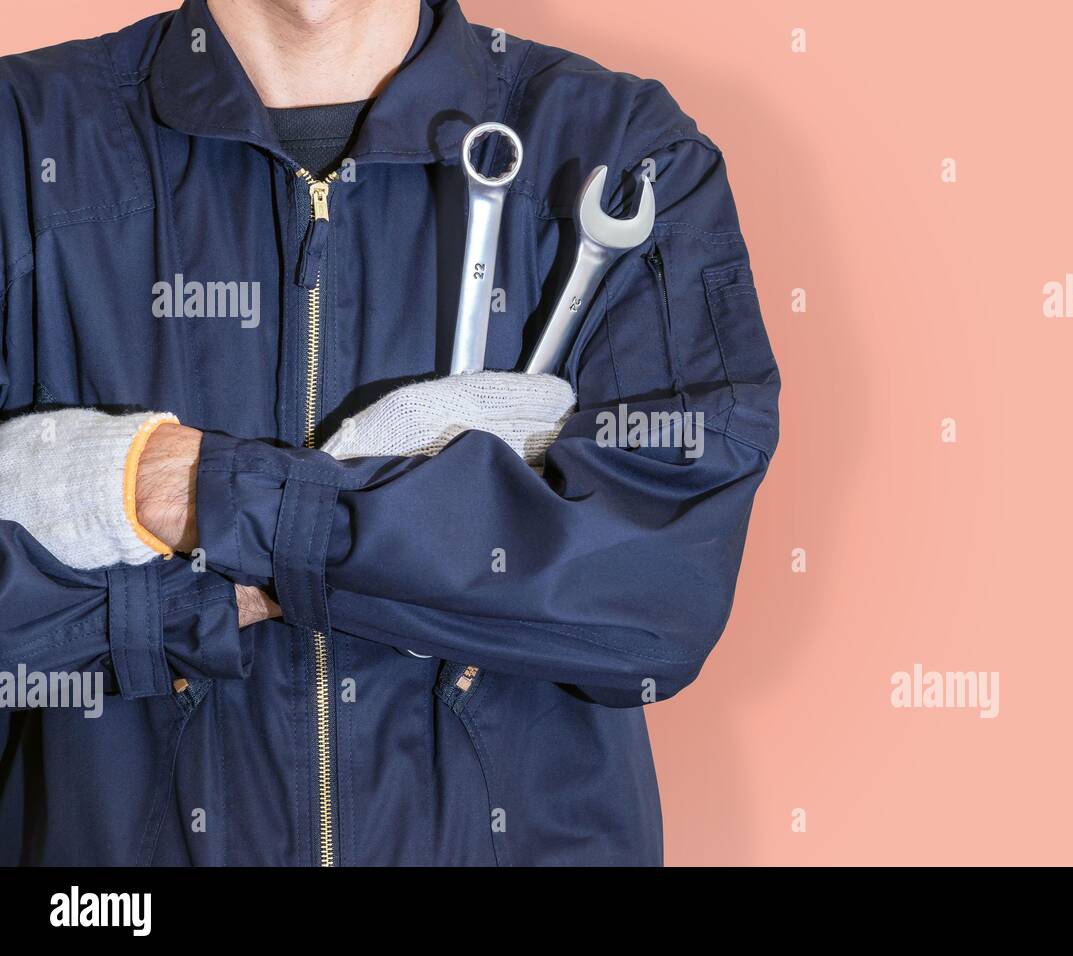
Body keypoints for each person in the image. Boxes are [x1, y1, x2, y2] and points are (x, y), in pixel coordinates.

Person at [0, 0, 779, 866]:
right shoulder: (20, 141)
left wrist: (193, 492)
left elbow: (655, 596)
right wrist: (372, 550)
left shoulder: (618, 145)